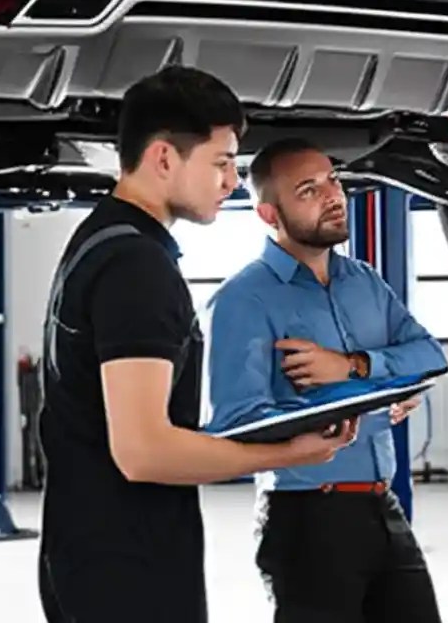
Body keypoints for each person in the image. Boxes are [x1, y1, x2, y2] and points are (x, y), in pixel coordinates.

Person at [37, 67, 360, 623]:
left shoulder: (101, 240)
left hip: (89, 555)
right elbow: (144, 452)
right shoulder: (136, 266)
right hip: (127, 573)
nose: (232, 181)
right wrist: (289, 454)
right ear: (164, 158)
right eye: (221, 162)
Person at [203, 138, 448, 623]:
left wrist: (353, 368)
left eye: (332, 181)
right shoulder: (243, 301)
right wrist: (368, 397)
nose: (334, 196)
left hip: (383, 504)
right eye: (308, 190)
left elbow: (429, 355)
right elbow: (235, 421)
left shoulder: (365, 281)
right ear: (270, 215)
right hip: (306, 517)